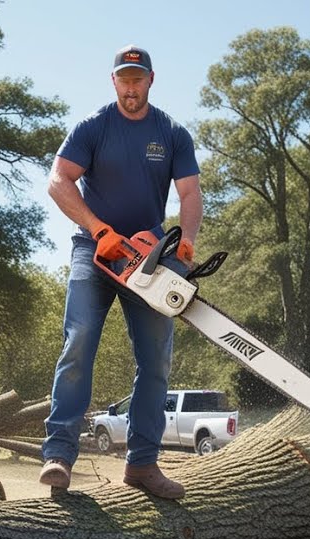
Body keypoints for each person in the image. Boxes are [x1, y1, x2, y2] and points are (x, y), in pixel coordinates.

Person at [39, 44, 203, 500]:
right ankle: (58, 456)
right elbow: (58, 179)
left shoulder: (172, 133)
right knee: (78, 343)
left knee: (156, 361)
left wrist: (185, 240)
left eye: (138, 78)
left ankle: (143, 464)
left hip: (148, 257)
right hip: (95, 251)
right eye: (124, 79)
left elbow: (190, 194)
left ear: (152, 80)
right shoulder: (94, 126)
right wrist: (97, 228)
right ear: (114, 82)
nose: (131, 87)